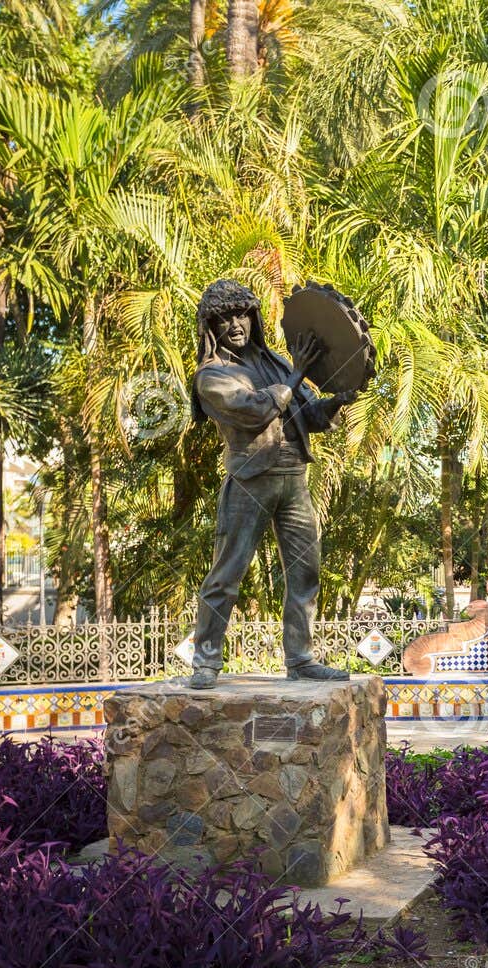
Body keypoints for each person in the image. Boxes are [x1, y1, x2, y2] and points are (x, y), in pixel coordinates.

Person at [185, 279, 353, 689]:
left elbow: (305, 415)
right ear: (211, 326)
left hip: (294, 479)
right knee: (228, 574)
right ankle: (206, 660)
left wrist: (336, 401)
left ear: (254, 317)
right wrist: (295, 376)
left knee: (305, 572)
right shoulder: (212, 375)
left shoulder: (275, 362)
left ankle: (300, 658)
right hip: (249, 481)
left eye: (242, 313)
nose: (236, 324)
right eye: (224, 317)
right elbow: (254, 409)